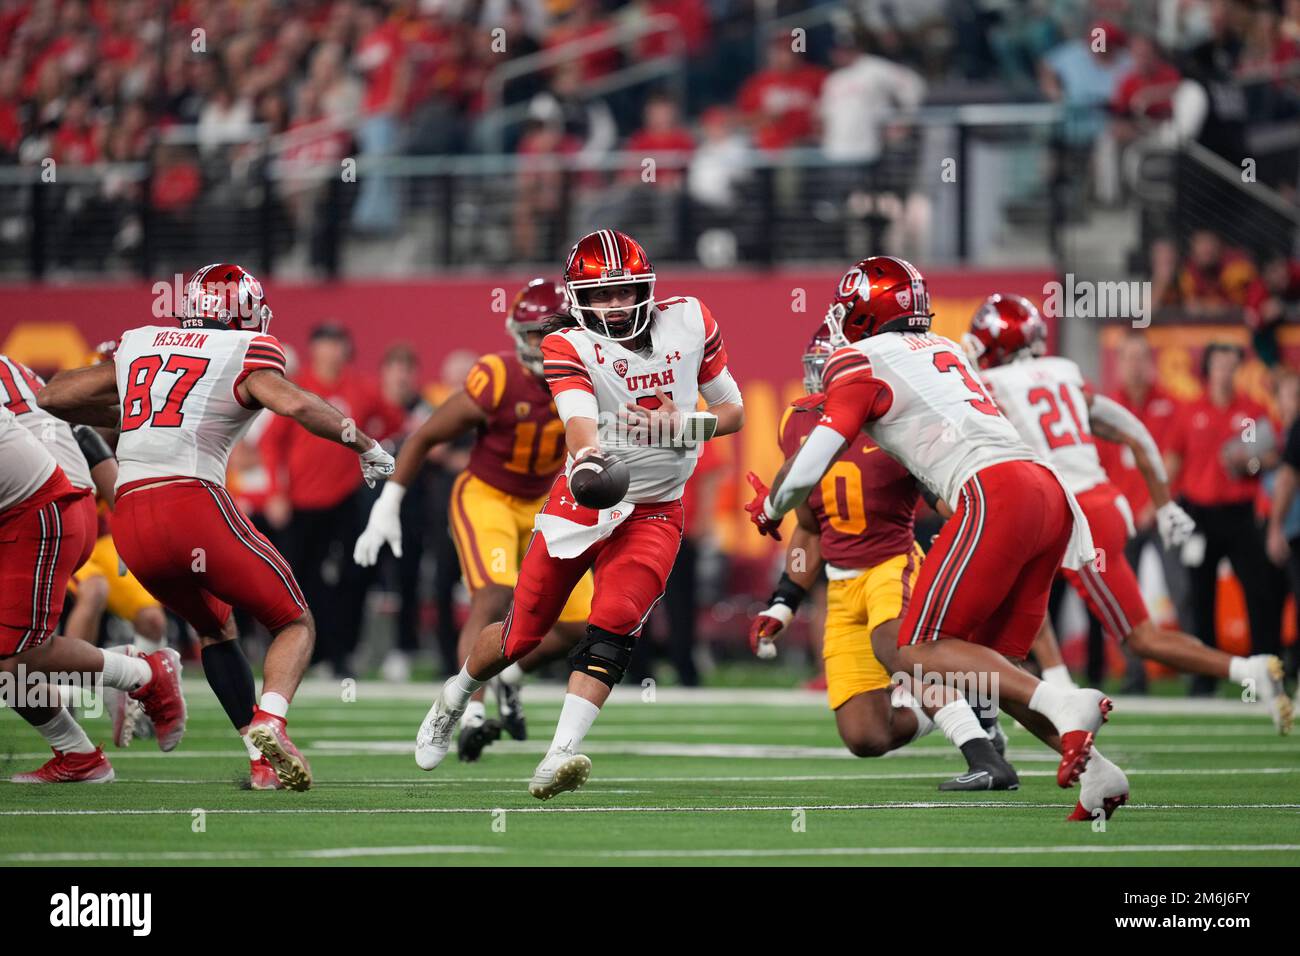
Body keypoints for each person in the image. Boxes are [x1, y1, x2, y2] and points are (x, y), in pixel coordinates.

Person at [746, 257, 1125, 823]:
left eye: (850, 311)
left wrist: (770, 507)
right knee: (989, 668)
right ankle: (1101, 774)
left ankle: (1064, 700)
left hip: (994, 490)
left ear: (867, 314)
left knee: (917, 648)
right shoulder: (939, 346)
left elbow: (810, 465)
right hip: (1045, 491)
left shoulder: (862, 358)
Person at [411, 230, 745, 799]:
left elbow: (732, 411)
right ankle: (455, 695)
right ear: (578, 299)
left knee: (614, 623)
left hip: (657, 508)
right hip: (585, 500)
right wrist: (590, 456)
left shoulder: (690, 320)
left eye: (625, 291)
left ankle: (559, 753)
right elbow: (577, 419)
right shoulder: (568, 343)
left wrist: (683, 426)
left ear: (647, 288)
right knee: (521, 635)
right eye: (601, 295)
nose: (615, 305)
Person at [37, 263, 396, 791]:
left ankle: (260, 760)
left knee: (213, 630)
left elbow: (52, 397)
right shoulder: (244, 352)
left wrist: (133, 406)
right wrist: (365, 446)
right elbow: (295, 403)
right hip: (192, 503)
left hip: (132, 518)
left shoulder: (140, 342)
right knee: (294, 621)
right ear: (241, 314)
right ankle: (271, 721)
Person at [968, 295, 1290, 733]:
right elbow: (1134, 433)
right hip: (1093, 505)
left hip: (1073, 514)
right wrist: (1163, 501)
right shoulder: (1064, 372)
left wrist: (962, 362)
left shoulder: (994, 383)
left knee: (1139, 638)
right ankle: (1049, 696)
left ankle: (1244, 672)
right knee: (1016, 597)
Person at [748, 330, 1018, 790]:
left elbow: (948, 501)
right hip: (841, 583)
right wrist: (784, 601)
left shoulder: (898, 419)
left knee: (900, 650)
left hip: (893, 565)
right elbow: (809, 528)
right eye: (817, 364)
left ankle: (986, 759)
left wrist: (971, 549)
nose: (821, 377)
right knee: (866, 736)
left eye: (830, 364)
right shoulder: (795, 422)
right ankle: (969, 710)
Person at [356, 278, 596, 761]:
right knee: (495, 595)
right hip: (487, 495)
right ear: (515, 333)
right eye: (533, 333)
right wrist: (388, 502)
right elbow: (424, 437)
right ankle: (465, 711)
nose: (542, 343)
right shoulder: (498, 377)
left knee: (581, 625)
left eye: (552, 331)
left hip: (547, 501)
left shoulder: (594, 373)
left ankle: (510, 673)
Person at [0, 408, 185, 783]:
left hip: (42, 509)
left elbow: (84, 433)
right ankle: (79, 750)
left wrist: (132, 530)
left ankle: (140, 673)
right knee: (12, 658)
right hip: (44, 504)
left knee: (17, 653)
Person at [259, 322, 404, 677]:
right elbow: (270, 442)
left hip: (345, 498)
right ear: (314, 349)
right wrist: (276, 492)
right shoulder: (295, 387)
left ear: (346, 349)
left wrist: (372, 451)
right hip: (301, 502)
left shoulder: (361, 388)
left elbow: (393, 421)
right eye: (325, 343)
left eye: (338, 343)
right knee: (301, 580)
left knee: (355, 574)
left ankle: (343, 654)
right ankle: (310, 654)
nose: (332, 351)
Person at [1165, 342, 1284, 695]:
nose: (1225, 373)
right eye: (1219, 365)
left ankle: (1266, 669)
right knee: (1199, 596)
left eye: (1232, 366)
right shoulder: (1189, 411)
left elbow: (1265, 459)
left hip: (1239, 514)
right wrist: (1163, 505)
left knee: (1258, 591)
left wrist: (1246, 463)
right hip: (1198, 514)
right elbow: (1173, 461)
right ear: (1208, 369)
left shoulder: (1251, 412)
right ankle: (1205, 677)